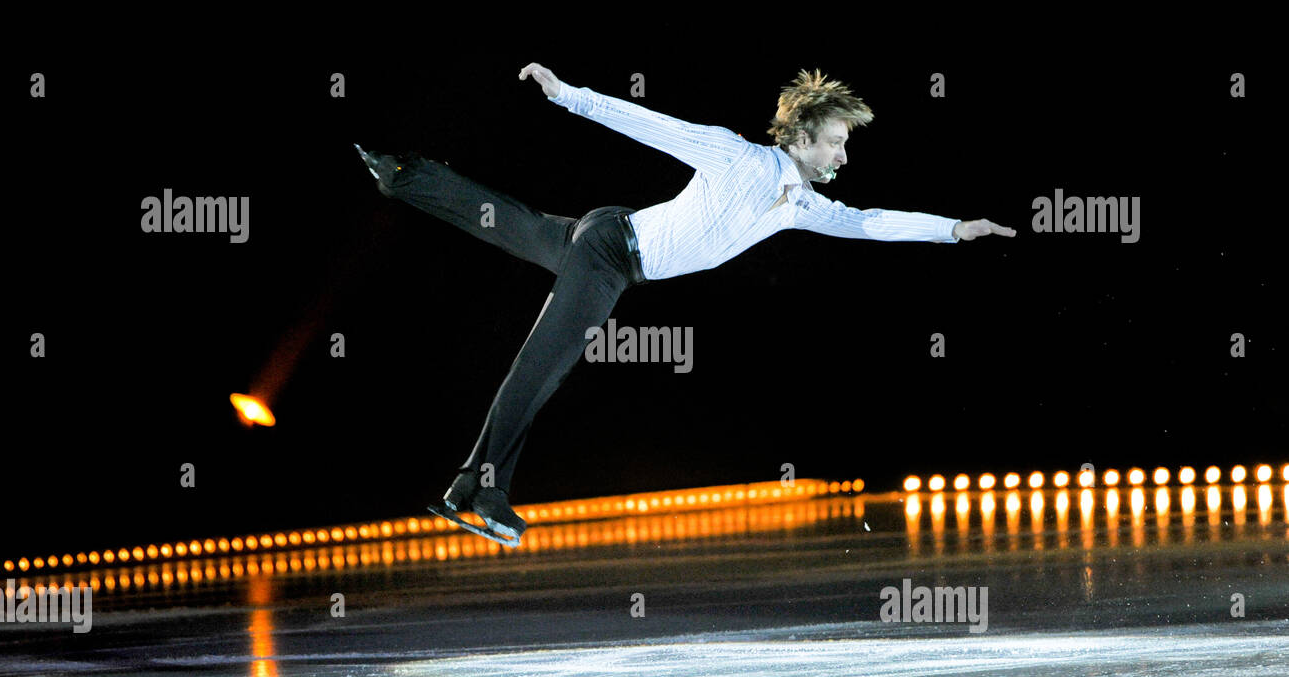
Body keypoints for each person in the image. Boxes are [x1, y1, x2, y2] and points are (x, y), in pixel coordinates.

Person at [357, 64, 1015, 546]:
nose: (844, 155)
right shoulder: (737, 157)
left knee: (510, 223)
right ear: (804, 135)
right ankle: (483, 484)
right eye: (838, 141)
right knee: (545, 361)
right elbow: (653, 126)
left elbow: (869, 221)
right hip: (612, 252)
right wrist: (569, 97)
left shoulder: (803, 203)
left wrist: (954, 228)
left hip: (608, 239)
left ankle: (403, 175)